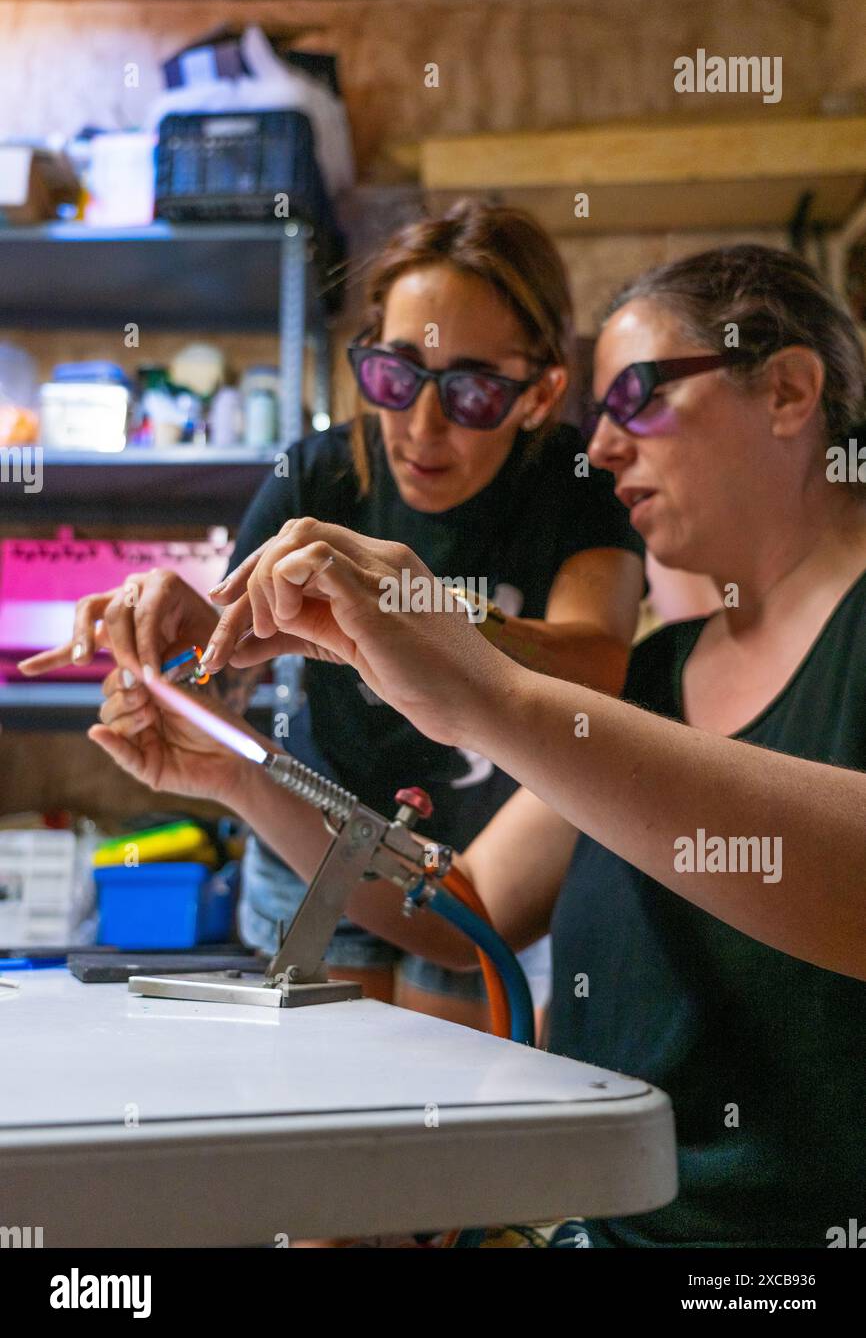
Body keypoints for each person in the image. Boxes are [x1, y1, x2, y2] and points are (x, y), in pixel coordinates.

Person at [89, 241, 866, 1247]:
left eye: (634, 395)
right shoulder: (659, 674)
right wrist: (234, 767)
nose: (606, 446)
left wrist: (486, 691)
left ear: (789, 390)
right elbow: (467, 912)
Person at [21, 200, 643, 1031]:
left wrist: (424, 608)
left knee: (451, 1102)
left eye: (472, 393)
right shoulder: (318, 475)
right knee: (329, 1096)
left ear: (541, 392)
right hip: (319, 833)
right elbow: (225, 659)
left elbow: (601, 664)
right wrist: (182, 659)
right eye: (394, 377)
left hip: (492, 851)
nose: (420, 429)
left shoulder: (576, 489)